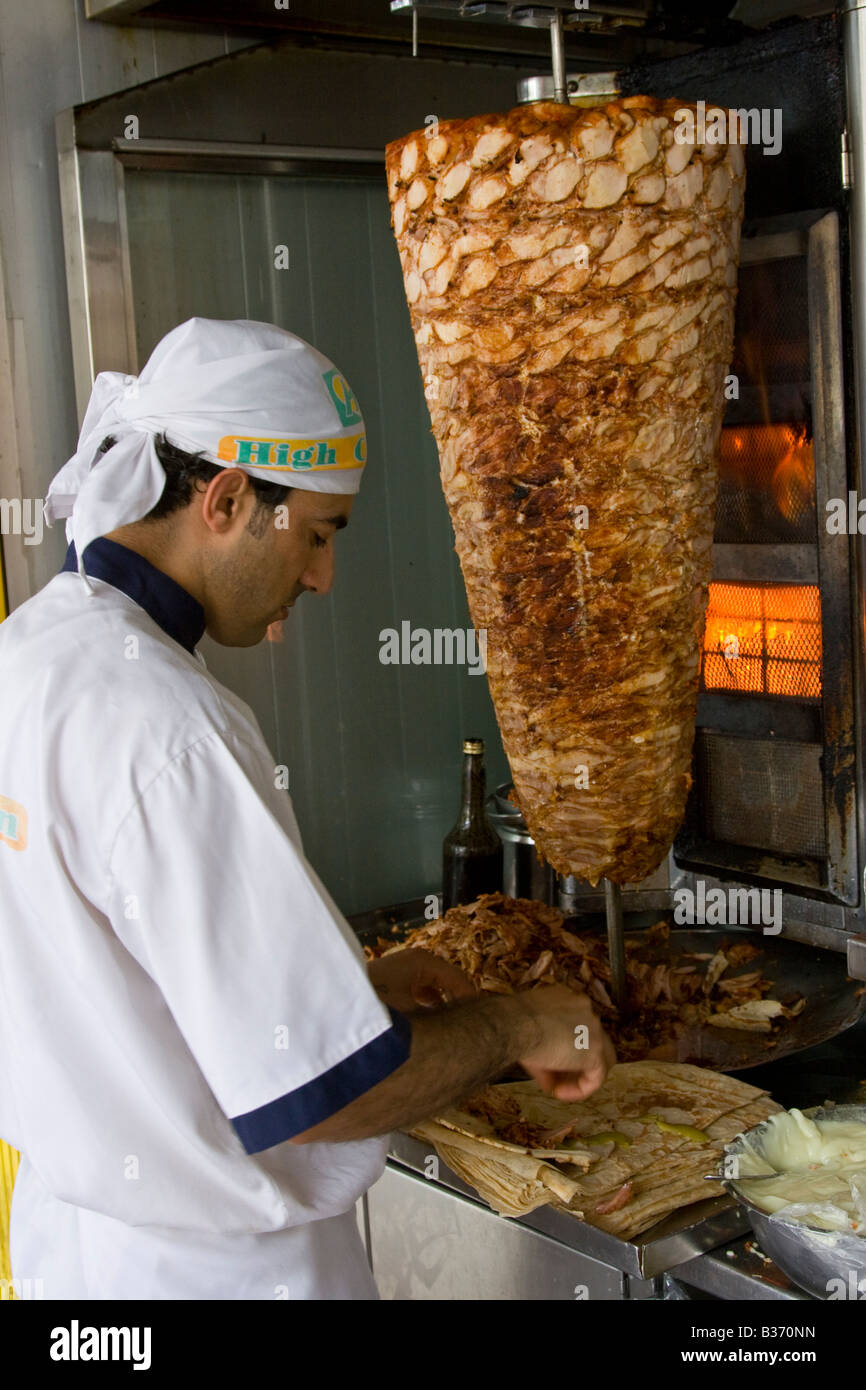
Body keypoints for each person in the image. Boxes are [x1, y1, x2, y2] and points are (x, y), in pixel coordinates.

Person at [0, 317, 614, 1301]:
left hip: (77, 1260)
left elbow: (130, 989)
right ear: (228, 497)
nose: (322, 576)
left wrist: (352, 992)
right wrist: (522, 1021)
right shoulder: (172, 728)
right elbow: (321, 1098)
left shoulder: (29, 658)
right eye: (318, 534)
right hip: (217, 1276)